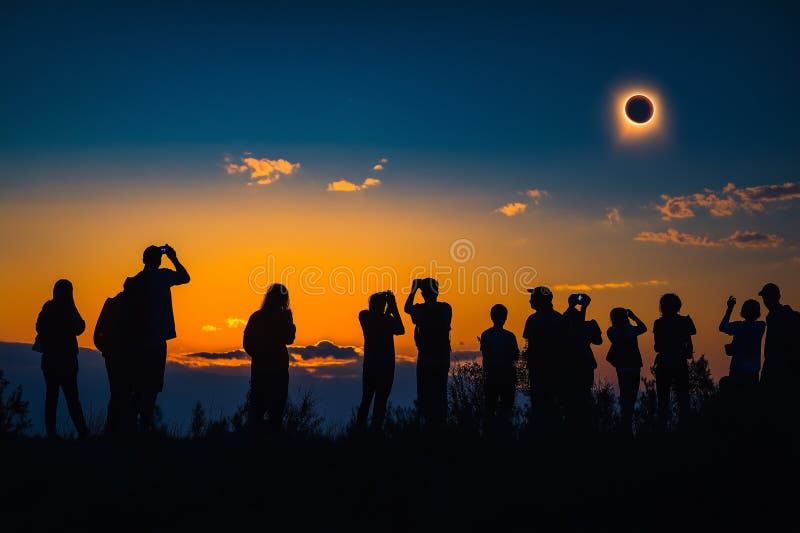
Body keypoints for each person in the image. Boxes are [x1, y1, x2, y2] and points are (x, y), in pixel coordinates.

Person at [123, 244, 190, 432]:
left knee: (137, 387)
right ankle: (144, 428)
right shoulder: (163, 277)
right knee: (151, 389)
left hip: (136, 344)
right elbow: (185, 277)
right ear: (159, 260)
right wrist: (173, 257)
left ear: (144, 260)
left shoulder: (132, 282)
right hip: (156, 342)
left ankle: (131, 429)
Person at [35, 279, 90, 439]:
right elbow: (80, 327)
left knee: (51, 398)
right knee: (72, 399)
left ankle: (51, 434)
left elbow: (38, 326)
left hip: (50, 360)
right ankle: (83, 432)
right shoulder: (69, 309)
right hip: (67, 361)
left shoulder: (48, 307)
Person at [243, 283, 296, 432]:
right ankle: (273, 448)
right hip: (278, 370)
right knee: (276, 413)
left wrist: (259, 355)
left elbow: (247, 343)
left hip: (260, 370)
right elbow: (289, 338)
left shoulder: (256, 316)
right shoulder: (282, 317)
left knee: (256, 412)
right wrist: (290, 322)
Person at [404, 278, 452, 426]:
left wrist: (413, 290)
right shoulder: (446, 308)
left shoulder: (420, 310)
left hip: (426, 357)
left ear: (423, 294)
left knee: (424, 393)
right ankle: (441, 425)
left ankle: (426, 426)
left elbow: (407, 308)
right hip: (442, 357)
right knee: (440, 392)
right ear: (437, 292)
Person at [356, 291, 405, 430]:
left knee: (367, 400)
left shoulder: (365, 316)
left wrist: (389, 310)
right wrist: (393, 307)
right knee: (379, 403)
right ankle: (374, 432)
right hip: (386, 367)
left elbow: (396, 327)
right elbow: (400, 329)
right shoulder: (385, 320)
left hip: (371, 366)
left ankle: (359, 432)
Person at [522, 286, 567, 428]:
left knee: (539, 404)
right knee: (554, 405)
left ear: (540, 300)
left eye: (532, 298)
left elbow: (529, 344)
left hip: (538, 368)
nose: (530, 301)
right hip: (557, 368)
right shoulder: (559, 318)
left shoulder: (533, 320)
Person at [757, 283, 800, 423]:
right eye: (764, 297)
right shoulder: (774, 316)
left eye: (766, 297)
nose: (765, 301)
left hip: (781, 368)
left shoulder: (781, 315)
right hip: (778, 367)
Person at [653, 293, 696, 429]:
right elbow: (689, 341)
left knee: (663, 398)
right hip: (679, 362)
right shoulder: (685, 321)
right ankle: (685, 427)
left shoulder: (659, 323)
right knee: (683, 397)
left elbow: (657, 346)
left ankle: (662, 428)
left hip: (664, 362)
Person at [94, 291, 132, 435]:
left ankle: (113, 431)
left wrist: (106, 350)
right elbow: (98, 335)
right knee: (122, 394)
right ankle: (115, 431)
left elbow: (97, 334)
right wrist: (107, 350)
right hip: (121, 358)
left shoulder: (111, 304)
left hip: (115, 357)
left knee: (118, 394)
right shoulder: (127, 306)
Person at [562, 294, 602, 431]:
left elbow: (564, 320)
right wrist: (584, 307)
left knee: (570, 399)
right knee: (584, 396)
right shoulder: (588, 327)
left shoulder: (565, 329)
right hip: (585, 365)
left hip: (569, 366)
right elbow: (598, 341)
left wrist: (573, 306)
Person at [606, 307, 646, 434]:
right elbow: (643, 328)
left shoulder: (611, 331)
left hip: (621, 368)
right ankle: (627, 427)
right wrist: (633, 317)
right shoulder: (630, 330)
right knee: (632, 397)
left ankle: (624, 426)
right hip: (633, 367)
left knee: (624, 396)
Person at [479, 304, 520, 427]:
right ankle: (504, 435)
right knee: (506, 411)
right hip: (507, 376)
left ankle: (490, 435)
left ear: (491, 317)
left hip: (491, 376)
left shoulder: (486, 335)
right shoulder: (510, 336)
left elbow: (485, 356)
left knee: (490, 409)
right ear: (505, 317)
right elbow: (516, 356)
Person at [719, 296, 765, 386]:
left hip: (737, 371)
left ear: (743, 311)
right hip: (753, 373)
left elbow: (722, 327)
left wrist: (729, 309)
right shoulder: (761, 326)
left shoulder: (738, 326)